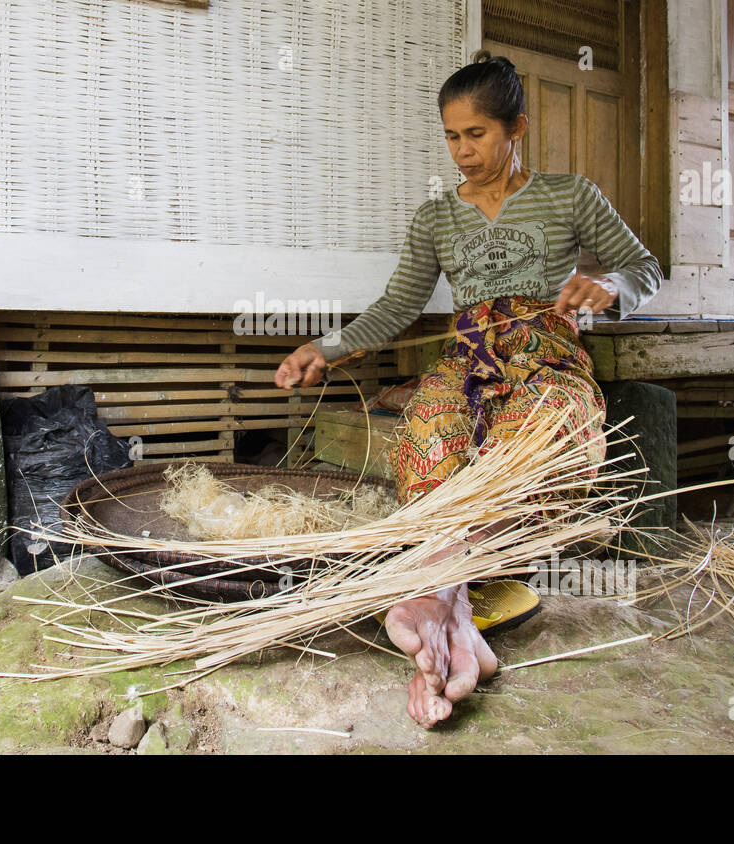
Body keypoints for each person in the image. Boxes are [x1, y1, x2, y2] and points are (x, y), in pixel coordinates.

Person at [273, 50, 663, 728]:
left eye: (476, 134)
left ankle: (446, 599)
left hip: (545, 357)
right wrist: (324, 350)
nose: (462, 152)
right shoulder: (435, 219)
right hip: (465, 360)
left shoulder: (571, 195)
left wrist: (609, 287)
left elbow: (643, 266)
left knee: (547, 434)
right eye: (451, 136)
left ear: (518, 127)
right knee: (429, 429)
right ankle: (455, 614)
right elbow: (395, 309)